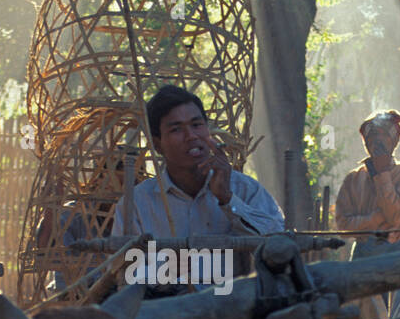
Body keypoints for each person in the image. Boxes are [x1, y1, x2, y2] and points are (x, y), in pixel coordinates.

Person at [112, 84, 285, 243]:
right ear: (157, 144)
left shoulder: (245, 190)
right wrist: (169, 268)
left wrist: (227, 198)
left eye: (196, 125)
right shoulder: (137, 204)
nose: (191, 136)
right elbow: (124, 270)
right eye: (176, 129)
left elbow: (280, 245)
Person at [334, 109, 400, 260]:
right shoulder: (353, 179)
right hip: (361, 256)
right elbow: (343, 226)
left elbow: (395, 217)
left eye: (384, 135)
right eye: (373, 135)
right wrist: (379, 218)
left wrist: (382, 174)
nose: (377, 140)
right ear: (365, 141)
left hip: (396, 254)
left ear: (394, 141)